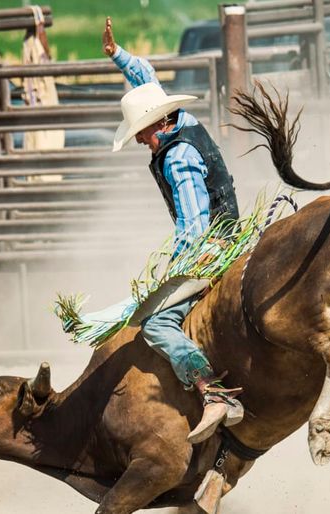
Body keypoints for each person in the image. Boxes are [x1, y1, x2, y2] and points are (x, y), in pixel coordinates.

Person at [102, 17, 243, 442]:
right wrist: (118, 56)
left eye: (142, 133)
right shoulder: (179, 120)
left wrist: (173, 270)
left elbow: (194, 224)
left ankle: (213, 392)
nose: (142, 141)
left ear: (158, 124)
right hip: (232, 234)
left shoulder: (178, 157)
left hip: (213, 247)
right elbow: (146, 80)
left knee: (156, 324)